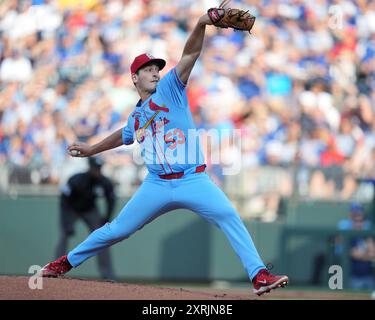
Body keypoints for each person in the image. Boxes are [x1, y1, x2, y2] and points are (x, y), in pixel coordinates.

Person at [40, 12, 288, 296]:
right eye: (148, 69)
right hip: (156, 184)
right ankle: (65, 263)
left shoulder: (170, 89)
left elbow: (190, 54)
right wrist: (92, 149)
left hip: (193, 180)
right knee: (118, 230)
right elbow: (124, 135)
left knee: (228, 215)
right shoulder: (137, 115)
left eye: (156, 68)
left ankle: (258, 275)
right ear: (135, 77)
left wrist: (201, 24)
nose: (155, 72)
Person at [56, 156, 116, 280]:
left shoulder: (104, 182)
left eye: (99, 168)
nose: (97, 171)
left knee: (103, 237)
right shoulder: (76, 179)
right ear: (90, 167)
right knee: (64, 235)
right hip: (71, 209)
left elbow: (111, 200)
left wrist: (106, 218)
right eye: (95, 168)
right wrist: (66, 222)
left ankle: (108, 275)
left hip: (90, 210)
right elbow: (64, 200)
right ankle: (55, 269)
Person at [336, 202, 375, 290]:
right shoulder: (345, 228)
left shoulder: (367, 228)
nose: (357, 220)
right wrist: (366, 255)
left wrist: (363, 255)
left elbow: (373, 253)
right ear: (351, 216)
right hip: (351, 276)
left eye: (359, 217)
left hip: (368, 276)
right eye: (355, 217)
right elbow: (352, 254)